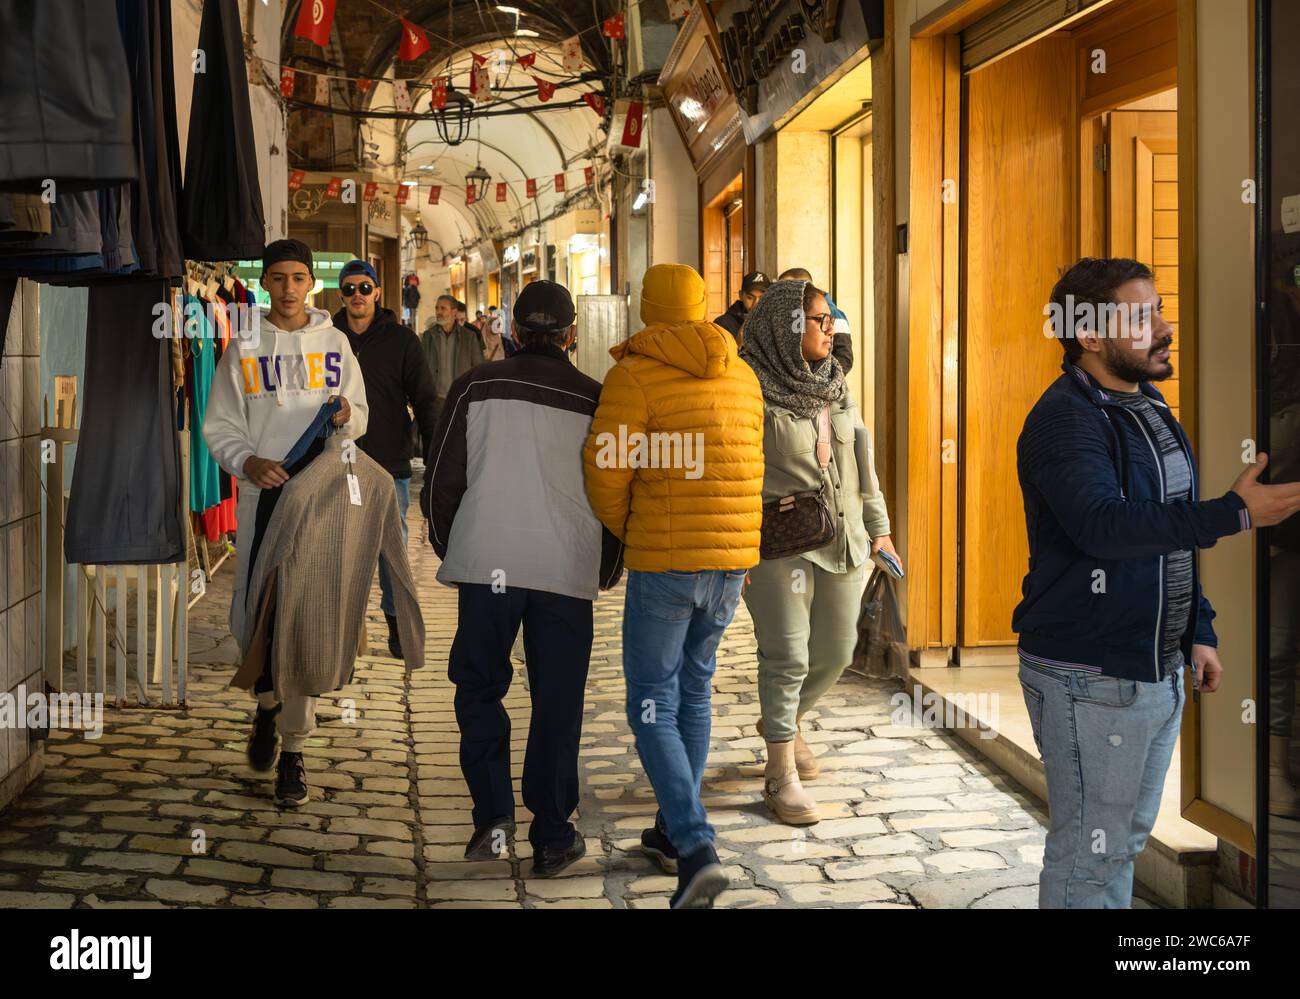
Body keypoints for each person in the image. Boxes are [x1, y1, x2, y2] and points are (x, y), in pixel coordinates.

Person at [1015, 256, 1300, 907]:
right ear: (1089, 334)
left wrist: (1196, 628)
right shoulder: (1067, 419)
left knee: (1118, 842)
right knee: (1090, 853)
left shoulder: (1145, 406)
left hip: (1151, 666)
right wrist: (1234, 512)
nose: (1164, 326)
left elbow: (1163, 541)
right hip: (1090, 674)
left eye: (1159, 309)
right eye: (1143, 316)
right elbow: (1104, 526)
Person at [424, 281, 622, 876]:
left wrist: (451, 543)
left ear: (512, 328)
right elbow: (614, 493)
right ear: (570, 336)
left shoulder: (473, 386)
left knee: (480, 686)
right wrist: (608, 565)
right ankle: (555, 832)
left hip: (489, 566)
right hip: (564, 568)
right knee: (557, 698)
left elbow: (441, 478)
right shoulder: (596, 400)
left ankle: (491, 816)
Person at [583, 263, 764, 909]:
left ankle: (695, 846)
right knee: (693, 688)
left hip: (665, 563)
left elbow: (605, 469)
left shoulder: (632, 374)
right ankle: (668, 829)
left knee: (651, 698)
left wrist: (629, 527)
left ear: (647, 309)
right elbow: (751, 468)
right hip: (729, 563)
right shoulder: (741, 374)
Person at [203, 237, 368, 806]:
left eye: (299, 277)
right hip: (261, 498)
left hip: (317, 497)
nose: (290, 288)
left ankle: (295, 751)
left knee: (305, 615)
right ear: (266, 282)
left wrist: (346, 413)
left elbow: (359, 413)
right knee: (256, 613)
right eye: (279, 278)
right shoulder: (244, 346)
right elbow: (219, 422)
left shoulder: (336, 342)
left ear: (311, 283)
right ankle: (267, 708)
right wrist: (246, 460)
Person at [738, 278, 899, 825]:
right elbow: (733, 476)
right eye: (819, 319)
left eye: (831, 319)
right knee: (787, 656)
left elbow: (863, 464)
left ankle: (783, 722)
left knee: (835, 652)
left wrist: (879, 529)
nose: (831, 329)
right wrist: (734, 548)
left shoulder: (836, 385)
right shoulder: (748, 389)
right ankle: (779, 773)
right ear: (786, 327)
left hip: (845, 538)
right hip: (781, 544)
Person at [332, 259, 439, 660]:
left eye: (364, 287)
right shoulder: (327, 336)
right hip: (335, 461)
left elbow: (426, 400)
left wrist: (434, 459)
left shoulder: (402, 341)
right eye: (349, 288)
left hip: (388, 461)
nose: (357, 295)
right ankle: (343, 627)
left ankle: (396, 620)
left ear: (377, 291)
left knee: (390, 547)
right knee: (340, 547)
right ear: (341, 294)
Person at [422, 293, 485, 426]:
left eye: (443, 308)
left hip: (460, 400)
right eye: (437, 308)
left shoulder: (469, 337)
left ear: (454, 312)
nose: (438, 312)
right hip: (435, 401)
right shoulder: (428, 336)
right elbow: (421, 368)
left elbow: (478, 369)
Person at [777, 268, 853, 373]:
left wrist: (822, 380)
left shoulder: (836, 315)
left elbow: (844, 357)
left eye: (790, 290)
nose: (784, 297)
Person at [714, 270, 770, 343]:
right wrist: (737, 345)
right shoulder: (722, 325)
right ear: (741, 295)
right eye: (750, 298)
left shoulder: (775, 323)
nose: (756, 304)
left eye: (762, 298)